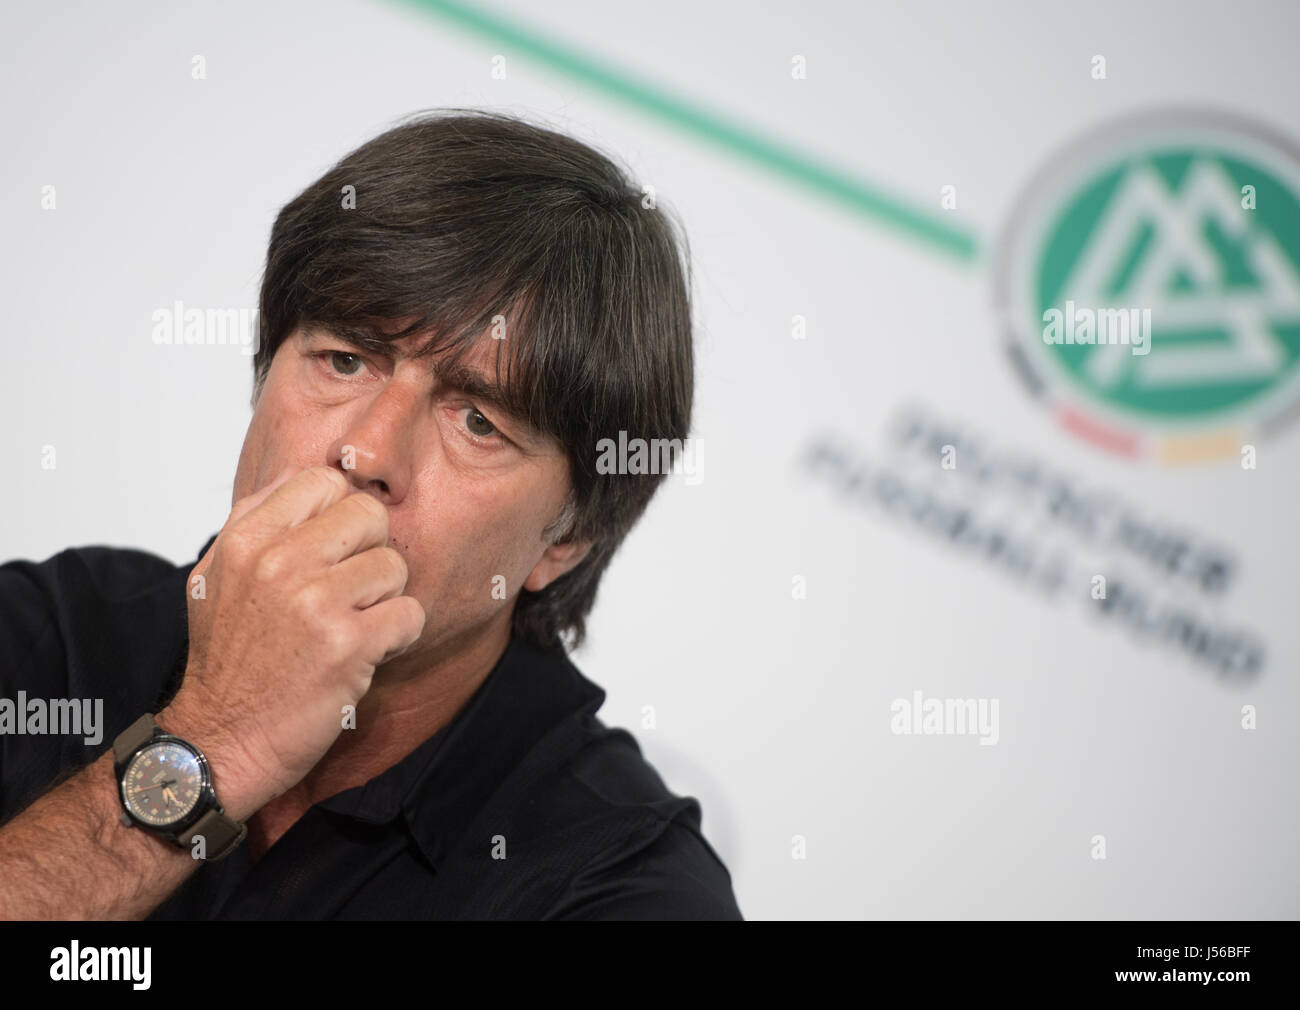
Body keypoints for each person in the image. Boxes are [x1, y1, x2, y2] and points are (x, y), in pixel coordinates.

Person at [0, 109, 742, 920]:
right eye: (345, 360)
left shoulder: (622, 885)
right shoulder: (57, 635)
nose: (368, 453)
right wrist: (214, 742)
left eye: (478, 422)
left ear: (566, 539)